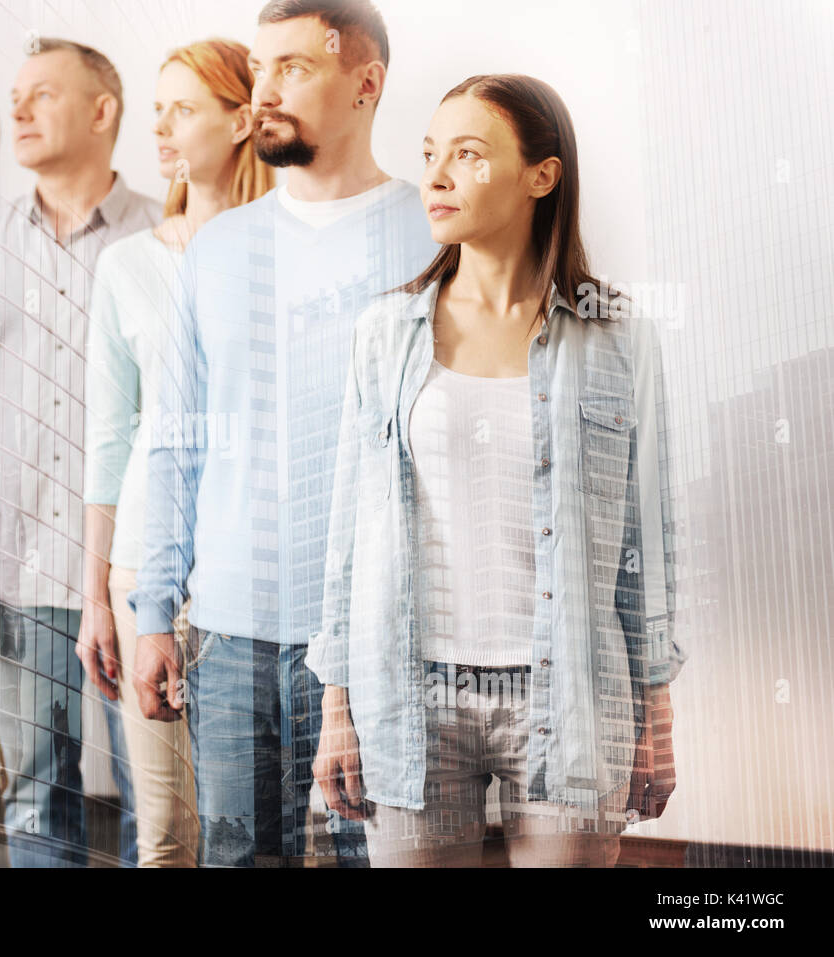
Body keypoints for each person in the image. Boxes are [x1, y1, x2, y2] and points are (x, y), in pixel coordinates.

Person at [309, 73, 688, 867]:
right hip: (407, 697)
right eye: (429, 154)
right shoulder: (384, 334)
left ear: (541, 176)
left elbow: (646, 539)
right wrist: (336, 708)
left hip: (574, 700)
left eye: (469, 155)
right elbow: (349, 535)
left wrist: (657, 714)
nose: (436, 176)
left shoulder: (619, 338)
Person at [128, 0, 437, 866]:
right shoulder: (217, 250)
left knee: (372, 858)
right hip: (228, 638)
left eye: (294, 67)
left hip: (385, 639)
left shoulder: (436, 235)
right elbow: (175, 441)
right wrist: (154, 613)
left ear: (366, 83)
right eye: (260, 68)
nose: (265, 90)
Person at [0, 39, 160, 867]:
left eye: (41, 94)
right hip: (14, 569)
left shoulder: (167, 238)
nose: (18, 110)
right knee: (36, 795)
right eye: (14, 96)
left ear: (101, 110)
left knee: (158, 803)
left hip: (145, 580)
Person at [78, 38, 275, 867]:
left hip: (256, 571)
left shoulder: (285, 254)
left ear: (241, 119)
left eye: (181, 110)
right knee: (165, 833)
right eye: (154, 110)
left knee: (261, 833)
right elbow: (109, 436)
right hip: (141, 576)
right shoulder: (126, 265)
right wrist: (94, 594)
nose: (158, 129)